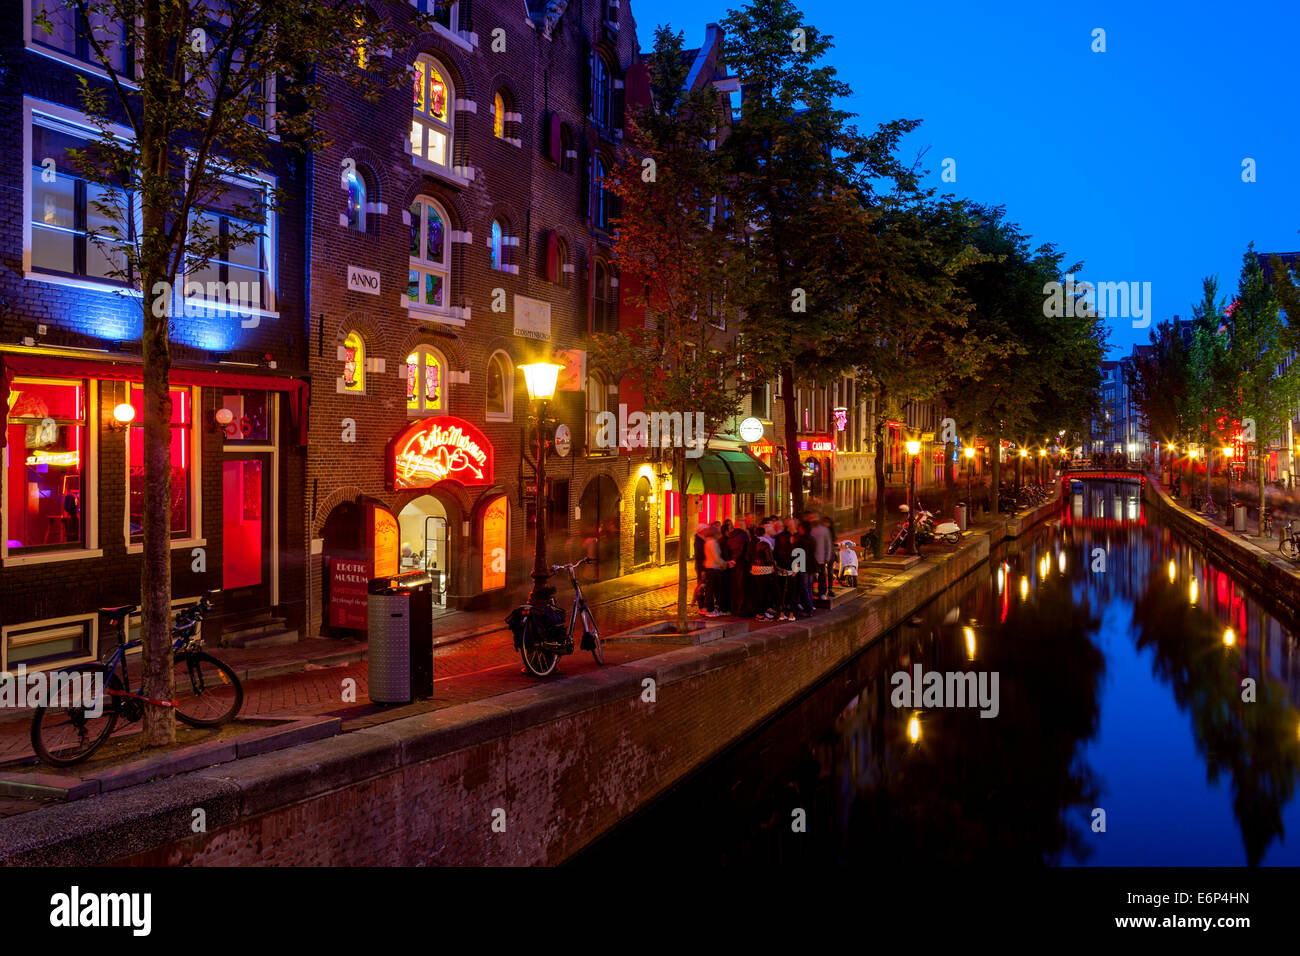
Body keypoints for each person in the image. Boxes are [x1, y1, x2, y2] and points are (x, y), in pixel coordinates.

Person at [748, 520, 776, 620]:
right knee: (764, 592)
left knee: (757, 592)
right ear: (764, 533)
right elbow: (769, 559)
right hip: (765, 570)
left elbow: (748, 557)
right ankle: (761, 613)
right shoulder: (765, 543)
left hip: (755, 569)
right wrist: (774, 567)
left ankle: (758, 611)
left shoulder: (752, 542)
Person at [702, 525, 732, 617]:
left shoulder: (708, 542)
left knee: (710, 590)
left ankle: (709, 608)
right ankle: (710, 609)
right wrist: (725, 563)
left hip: (710, 568)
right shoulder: (713, 543)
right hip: (713, 569)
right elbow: (716, 558)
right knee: (712, 590)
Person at [726, 516, 751, 617]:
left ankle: (733, 608)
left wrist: (731, 560)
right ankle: (741, 609)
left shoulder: (730, 536)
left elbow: (727, 549)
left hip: (733, 565)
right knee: (742, 587)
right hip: (741, 564)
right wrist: (737, 560)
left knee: (734, 587)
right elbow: (743, 549)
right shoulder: (743, 535)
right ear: (741, 525)